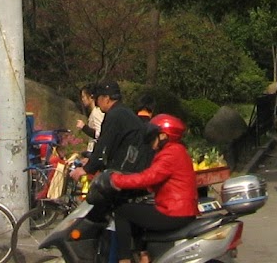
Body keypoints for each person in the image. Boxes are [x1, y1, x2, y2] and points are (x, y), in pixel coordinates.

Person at [106, 114, 197, 263]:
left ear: (163, 136)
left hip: (174, 211)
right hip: (179, 209)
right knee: (138, 210)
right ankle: (144, 255)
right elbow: (154, 181)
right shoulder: (177, 150)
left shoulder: (170, 153)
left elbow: (148, 177)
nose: (151, 143)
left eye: (153, 138)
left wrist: (115, 179)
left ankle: (124, 260)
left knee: (122, 211)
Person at [69, 81, 142, 222]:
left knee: (109, 207)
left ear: (106, 98)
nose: (96, 102)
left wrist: (86, 169)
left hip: (127, 172)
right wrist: (92, 161)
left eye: (98, 99)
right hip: (133, 168)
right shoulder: (124, 112)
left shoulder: (114, 115)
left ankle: (119, 243)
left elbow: (104, 144)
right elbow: (111, 146)